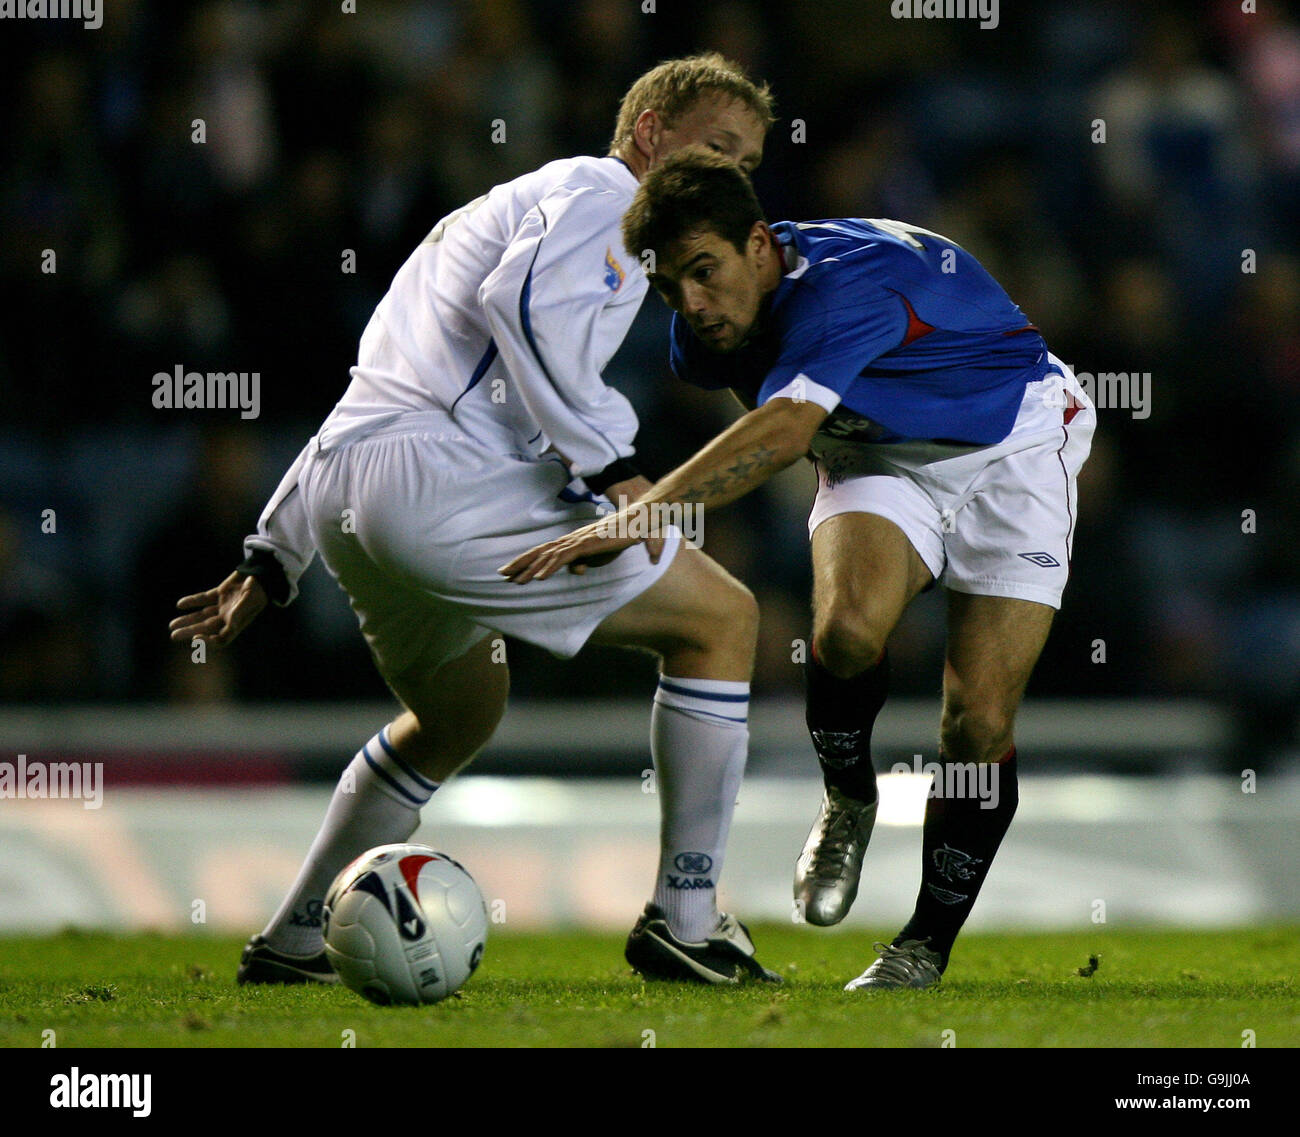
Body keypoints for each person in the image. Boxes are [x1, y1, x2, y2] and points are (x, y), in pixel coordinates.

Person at [170, 55, 783, 987]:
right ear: (650, 133)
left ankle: (296, 939)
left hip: (354, 492)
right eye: (715, 148)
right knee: (723, 619)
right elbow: (518, 305)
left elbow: (370, 401)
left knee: (461, 708)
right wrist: (614, 465)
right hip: (438, 483)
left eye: (744, 165)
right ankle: (686, 921)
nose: (728, 177)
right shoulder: (602, 194)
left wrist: (273, 550)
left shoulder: (509, 206)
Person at [501, 148, 1096, 990]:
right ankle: (851, 794)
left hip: (1017, 441)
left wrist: (638, 515)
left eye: (704, 272)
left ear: (758, 244)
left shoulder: (843, 289)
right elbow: (786, 427)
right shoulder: (706, 332)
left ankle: (922, 946)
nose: (692, 304)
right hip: (877, 449)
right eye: (671, 287)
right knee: (846, 631)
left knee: (977, 723)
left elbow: (781, 435)